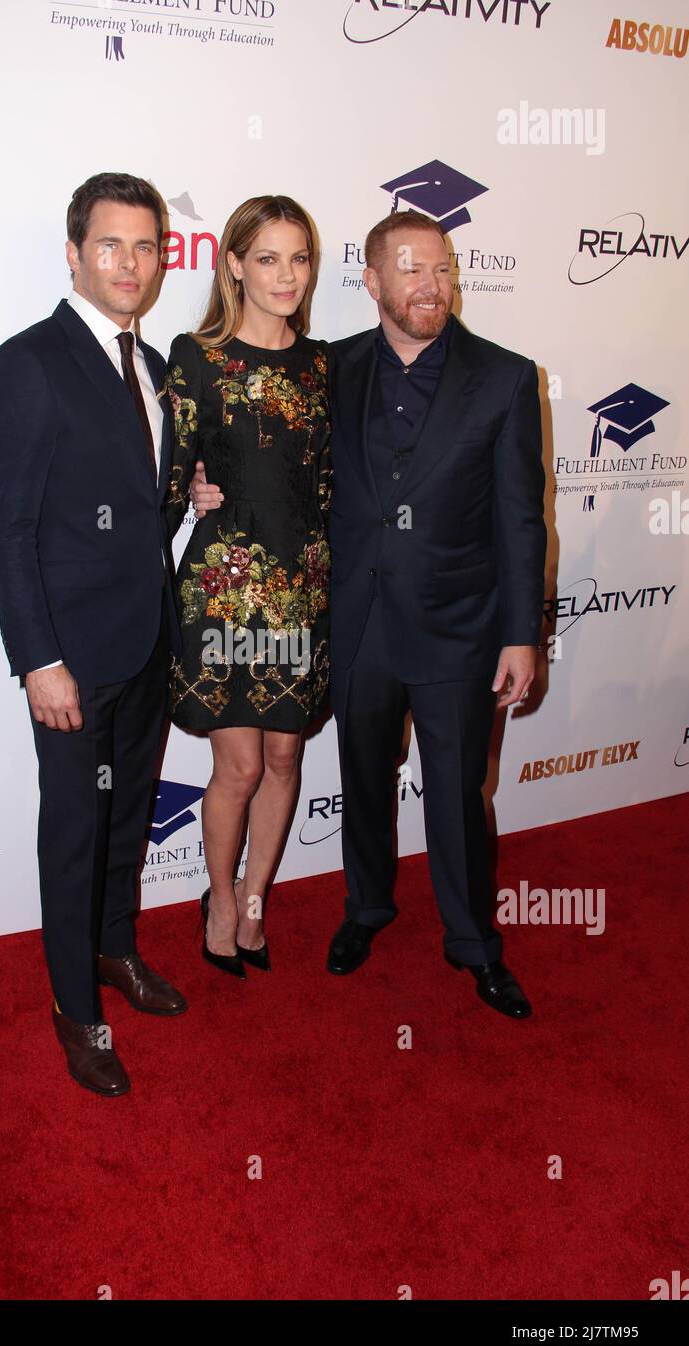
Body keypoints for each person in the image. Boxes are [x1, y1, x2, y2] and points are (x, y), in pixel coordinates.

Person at [191, 209, 546, 1019]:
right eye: (412, 270)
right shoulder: (330, 369)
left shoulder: (505, 377)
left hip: (460, 626)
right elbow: (262, 445)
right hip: (354, 620)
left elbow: (523, 518)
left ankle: (474, 945)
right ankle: (367, 910)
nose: (431, 285)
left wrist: (522, 633)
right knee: (363, 781)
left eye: (444, 269)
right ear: (373, 281)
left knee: (457, 790)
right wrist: (209, 483)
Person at [0, 172, 187, 1097]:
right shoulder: (26, 364)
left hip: (146, 642)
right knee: (73, 832)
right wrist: (38, 661)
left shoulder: (153, 366)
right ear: (74, 253)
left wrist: (186, 498)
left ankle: (114, 952)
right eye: (111, 245)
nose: (130, 264)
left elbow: (139, 500)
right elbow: (10, 529)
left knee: (127, 817)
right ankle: (76, 1008)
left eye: (146, 246)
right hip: (71, 658)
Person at [163, 195, 331, 977]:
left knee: (287, 759)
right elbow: (169, 482)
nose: (286, 275)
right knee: (240, 766)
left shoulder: (324, 365)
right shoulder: (197, 356)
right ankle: (219, 897)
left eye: (298, 258)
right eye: (268, 257)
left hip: (299, 590)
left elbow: (330, 485)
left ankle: (257, 896)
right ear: (233, 263)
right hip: (224, 590)